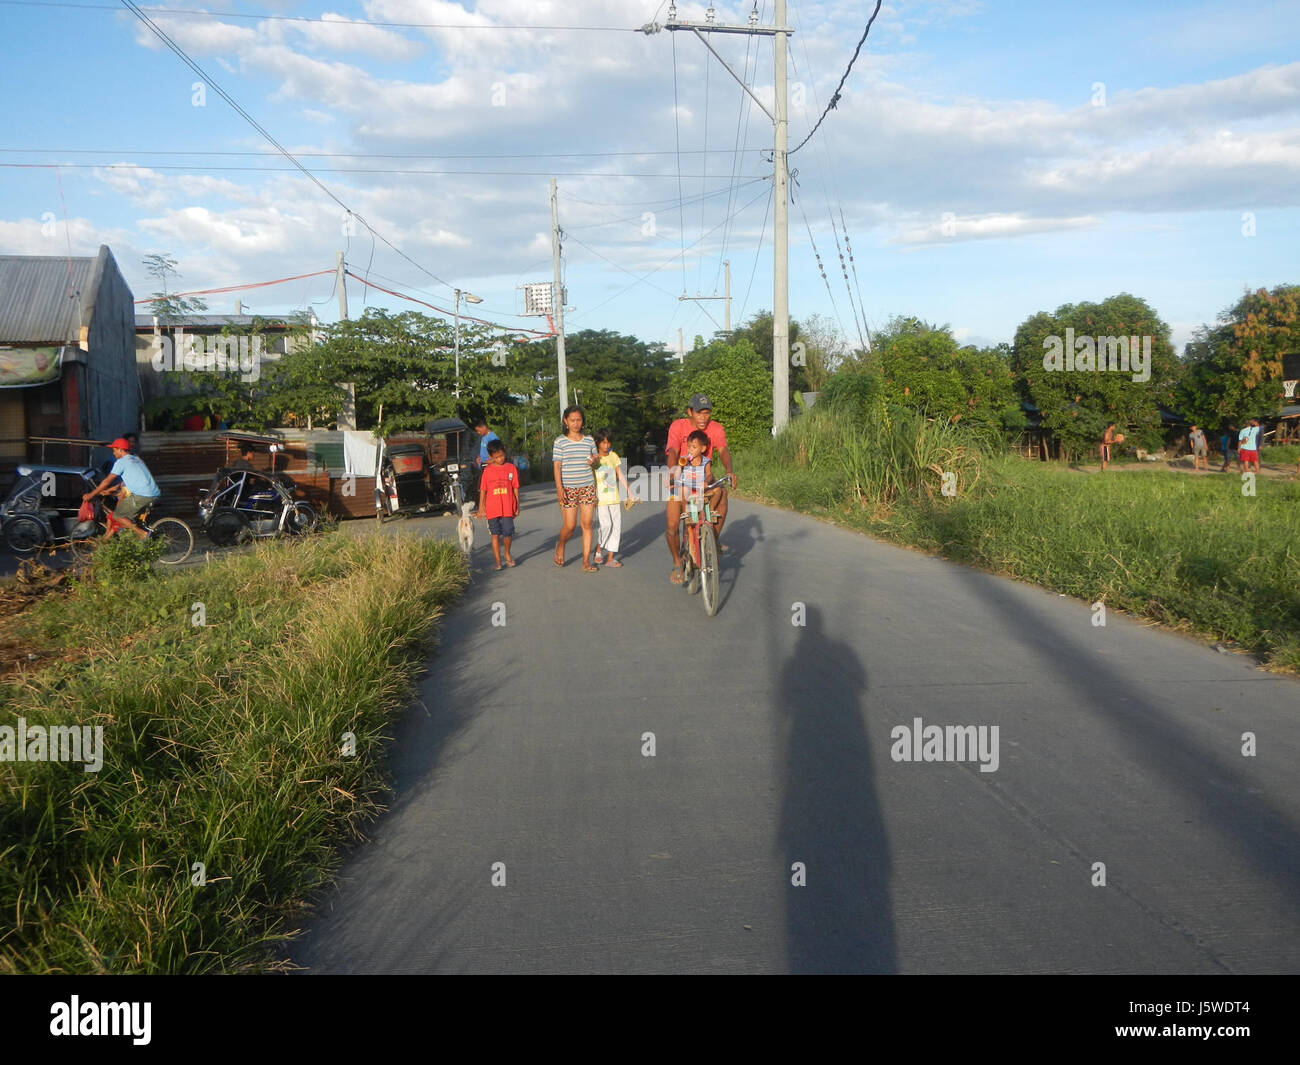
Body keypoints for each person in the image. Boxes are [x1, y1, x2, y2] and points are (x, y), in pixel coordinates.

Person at [665, 393, 737, 584]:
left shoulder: (715, 428)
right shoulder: (678, 426)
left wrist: (729, 471)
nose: (704, 417)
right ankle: (677, 563)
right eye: (699, 413)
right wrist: (673, 474)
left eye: (707, 413)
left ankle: (711, 539)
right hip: (681, 479)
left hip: (704, 479)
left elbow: (722, 450)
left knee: (721, 495)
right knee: (672, 527)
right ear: (690, 412)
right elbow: (672, 451)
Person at [552, 404, 599, 572]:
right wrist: (559, 488)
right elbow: (557, 466)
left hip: (587, 486)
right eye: (572, 420)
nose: (576, 423)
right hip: (568, 488)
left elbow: (596, 462)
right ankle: (561, 544)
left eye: (579, 420)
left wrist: (594, 461)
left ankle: (586, 561)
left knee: (587, 524)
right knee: (570, 526)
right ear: (566, 421)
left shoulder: (589, 440)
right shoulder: (560, 442)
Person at [83, 438, 160, 540]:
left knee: (117, 516)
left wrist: (91, 494)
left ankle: (142, 534)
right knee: (127, 520)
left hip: (142, 495)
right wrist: (109, 490)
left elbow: (107, 481)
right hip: (153, 494)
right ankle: (136, 540)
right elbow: (125, 481)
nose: (114, 453)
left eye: (114, 450)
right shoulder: (136, 459)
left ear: (120, 450)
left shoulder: (121, 462)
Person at [592, 428, 633, 568]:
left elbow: (619, 474)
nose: (606, 445)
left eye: (608, 442)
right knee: (606, 525)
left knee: (616, 527)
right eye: (603, 442)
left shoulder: (613, 456)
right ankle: (598, 549)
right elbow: (590, 478)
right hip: (601, 499)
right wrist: (592, 496)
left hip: (614, 498)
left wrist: (629, 491)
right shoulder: (594, 458)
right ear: (597, 443)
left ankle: (610, 559)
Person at [478, 439, 519, 570]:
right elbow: (483, 490)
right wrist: (481, 508)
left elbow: (515, 488)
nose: (500, 459)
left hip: (507, 507)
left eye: (502, 455)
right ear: (491, 457)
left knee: (508, 533)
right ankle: (497, 561)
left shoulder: (511, 468)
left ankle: (507, 553)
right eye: (496, 457)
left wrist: (517, 505)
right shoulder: (487, 471)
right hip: (492, 508)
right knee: (495, 534)